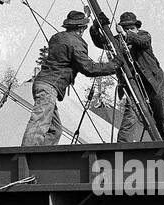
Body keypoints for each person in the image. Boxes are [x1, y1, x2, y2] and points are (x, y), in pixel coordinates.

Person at [20, 10, 117, 147]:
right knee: (39, 123)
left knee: (55, 130)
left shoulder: (57, 38)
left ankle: (41, 157)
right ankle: (27, 158)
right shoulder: (75, 43)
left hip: (41, 83)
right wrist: (114, 65)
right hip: (50, 85)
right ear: (82, 28)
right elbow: (88, 68)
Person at [106, 11, 164, 142]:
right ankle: (122, 145)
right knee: (131, 115)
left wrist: (125, 34)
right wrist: (96, 27)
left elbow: (142, 42)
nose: (129, 30)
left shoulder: (144, 36)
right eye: (126, 28)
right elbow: (102, 41)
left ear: (137, 28)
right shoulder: (118, 41)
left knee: (161, 117)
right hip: (133, 85)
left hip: (153, 84)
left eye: (132, 28)